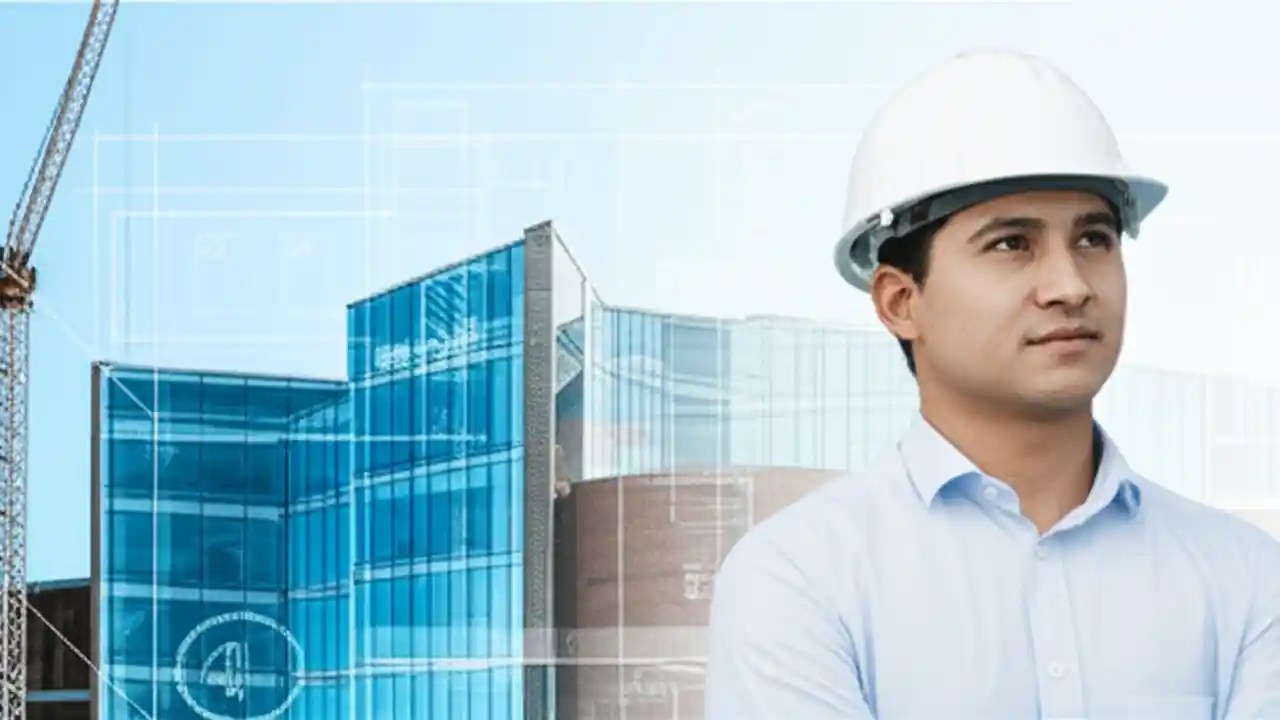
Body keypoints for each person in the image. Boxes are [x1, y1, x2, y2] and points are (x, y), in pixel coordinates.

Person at [704, 49, 1280, 719]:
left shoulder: (1244, 578)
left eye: (1094, 239)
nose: (1070, 287)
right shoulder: (800, 578)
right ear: (899, 302)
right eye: (1011, 244)